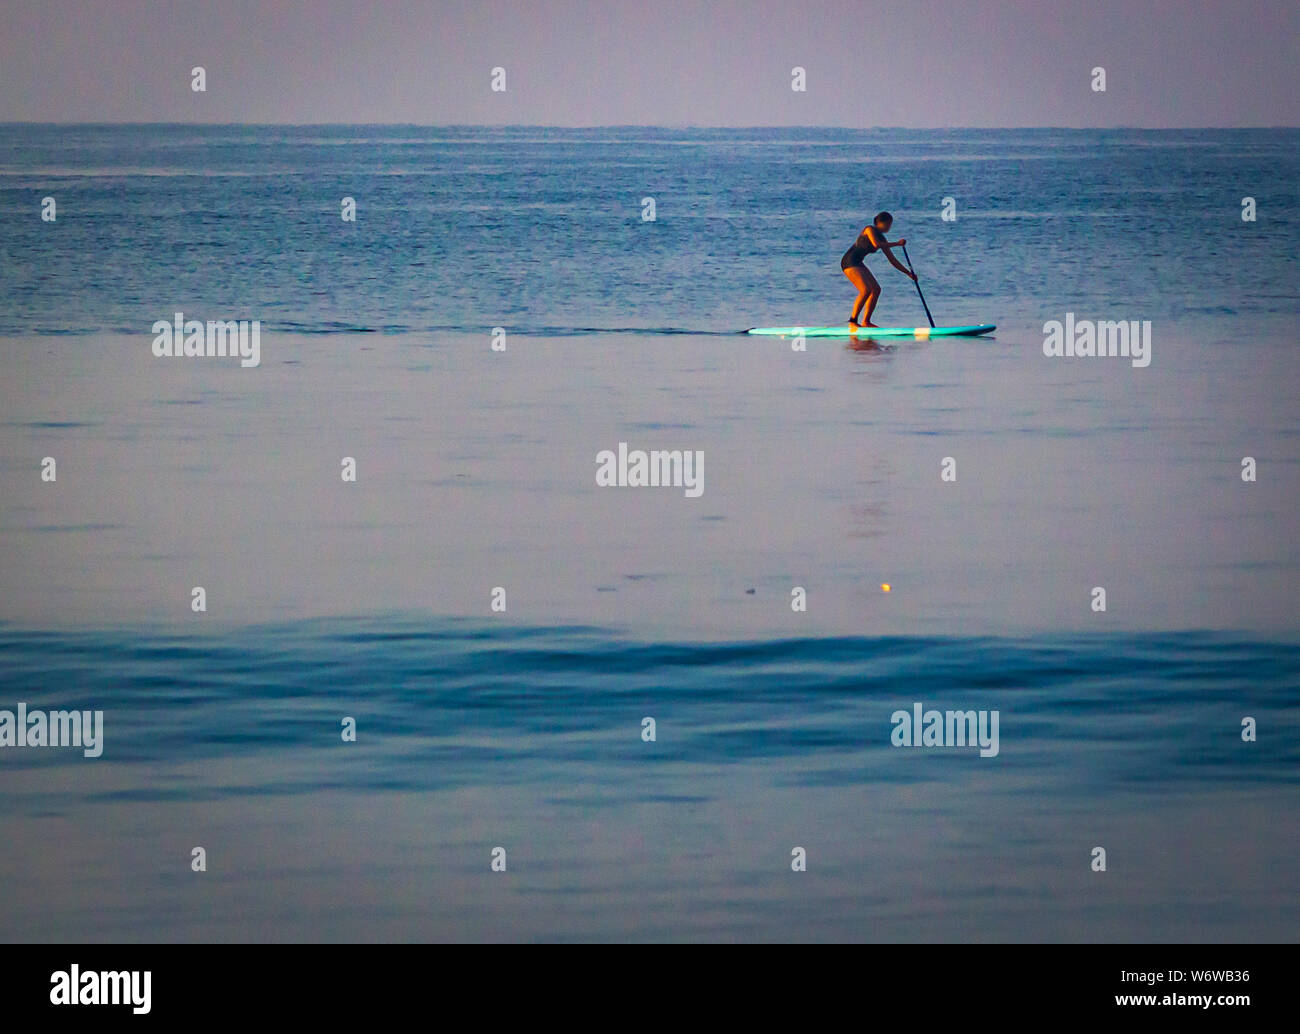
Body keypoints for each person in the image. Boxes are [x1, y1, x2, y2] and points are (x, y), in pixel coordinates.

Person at [840, 211, 916, 327]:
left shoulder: (883, 239)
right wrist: (897, 243)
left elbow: (892, 260)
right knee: (865, 290)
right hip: (849, 261)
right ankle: (853, 321)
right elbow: (876, 244)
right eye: (888, 224)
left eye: (891, 224)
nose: (889, 227)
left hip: (858, 262)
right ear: (880, 223)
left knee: (876, 289)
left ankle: (866, 321)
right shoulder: (869, 229)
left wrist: (908, 273)